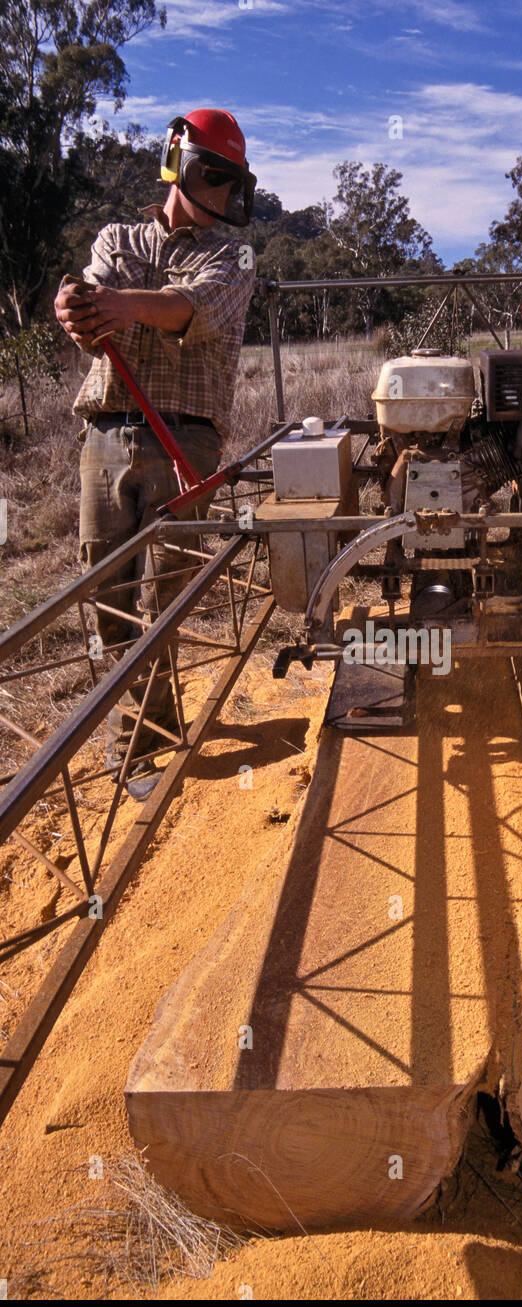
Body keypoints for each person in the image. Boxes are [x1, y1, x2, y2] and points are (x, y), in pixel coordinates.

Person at [54, 109, 257, 798]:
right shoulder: (117, 239)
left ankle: (131, 750)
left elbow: (192, 311)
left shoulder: (232, 256)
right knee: (109, 598)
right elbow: (92, 320)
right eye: (217, 175)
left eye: (234, 182)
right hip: (106, 436)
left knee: (162, 598)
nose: (226, 195)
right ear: (183, 164)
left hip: (185, 443)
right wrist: (78, 309)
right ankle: (152, 732)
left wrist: (124, 305)